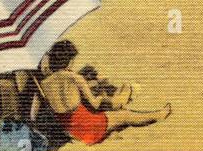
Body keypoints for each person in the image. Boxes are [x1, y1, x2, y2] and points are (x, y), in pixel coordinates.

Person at [37, 40, 170, 145]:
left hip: (69, 131)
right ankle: (158, 115)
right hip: (88, 130)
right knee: (125, 115)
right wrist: (101, 97)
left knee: (113, 102)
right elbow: (95, 104)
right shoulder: (74, 78)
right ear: (69, 60)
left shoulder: (44, 84)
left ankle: (124, 97)